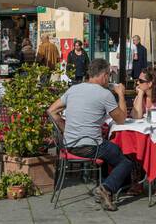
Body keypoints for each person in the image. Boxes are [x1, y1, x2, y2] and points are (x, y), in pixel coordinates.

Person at [48, 58, 133, 211]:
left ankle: (110, 186)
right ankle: (107, 188)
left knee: (113, 151)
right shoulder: (104, 94)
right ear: (104, 75)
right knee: (126, 162)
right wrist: (120, 94)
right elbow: (121, 119)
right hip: (91, 146)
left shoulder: (73, 89)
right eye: (109, 75)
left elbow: (51, 111)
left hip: (69, 145)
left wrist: (65, 128)